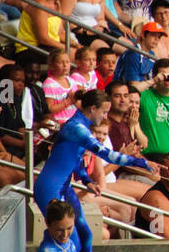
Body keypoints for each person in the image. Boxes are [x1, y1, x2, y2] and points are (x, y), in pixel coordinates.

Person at [33, 89, 150, 224]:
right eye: (104, 112)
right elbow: (106, 157)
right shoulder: (77, 134)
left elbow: (89, 171)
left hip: (77, 189)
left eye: (105, 134)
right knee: (121, 208)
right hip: (64, 190)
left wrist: (91, 185)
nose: (106, 116)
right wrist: (141, 163)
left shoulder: (85, 136)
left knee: (129, 205)